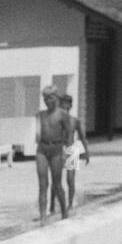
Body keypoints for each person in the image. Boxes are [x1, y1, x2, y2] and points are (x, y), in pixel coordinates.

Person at [35, 85, 73, 223]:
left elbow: (68, 134)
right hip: (42, 149)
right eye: (45, 98)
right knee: (42, 183)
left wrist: (66, 153)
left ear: (56, 98)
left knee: (57, 184)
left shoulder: (63, 114)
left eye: (49, 98)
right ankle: (43, 216)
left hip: (56, 149)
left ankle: (64, 211)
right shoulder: (41, 114)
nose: (47, 101)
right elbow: (38, 133)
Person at [59, 93, 90, 212]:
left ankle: (70, 203)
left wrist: (86, 152)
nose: (64, 108)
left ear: (70, 106)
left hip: (71, 149)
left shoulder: (75, 121)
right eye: (62, 106)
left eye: (66, 106)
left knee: (70, 179)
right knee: (56, 180)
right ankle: (53, 204)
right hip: (59, 149)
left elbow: (82, 137)